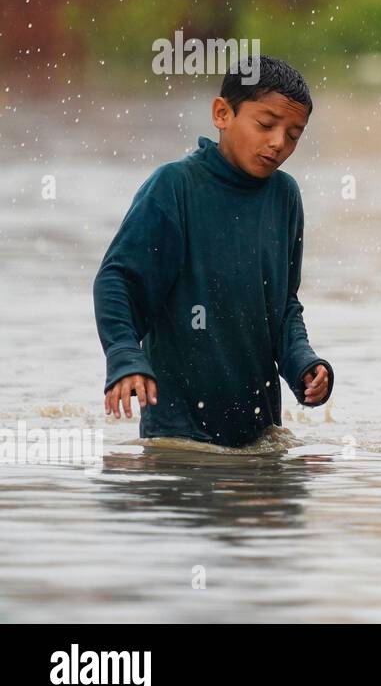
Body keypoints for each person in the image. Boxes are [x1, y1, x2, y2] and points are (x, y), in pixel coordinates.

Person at [93, 56, 334, 447]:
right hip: (178, 435)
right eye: (266, 124)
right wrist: (124, 356)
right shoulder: (175, 187)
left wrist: (304, 364)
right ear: (222, 113)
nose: (279, 143)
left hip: (259, 437)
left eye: (294, 134)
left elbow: (283, 305)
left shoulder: (285, 197)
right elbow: (118, 280)